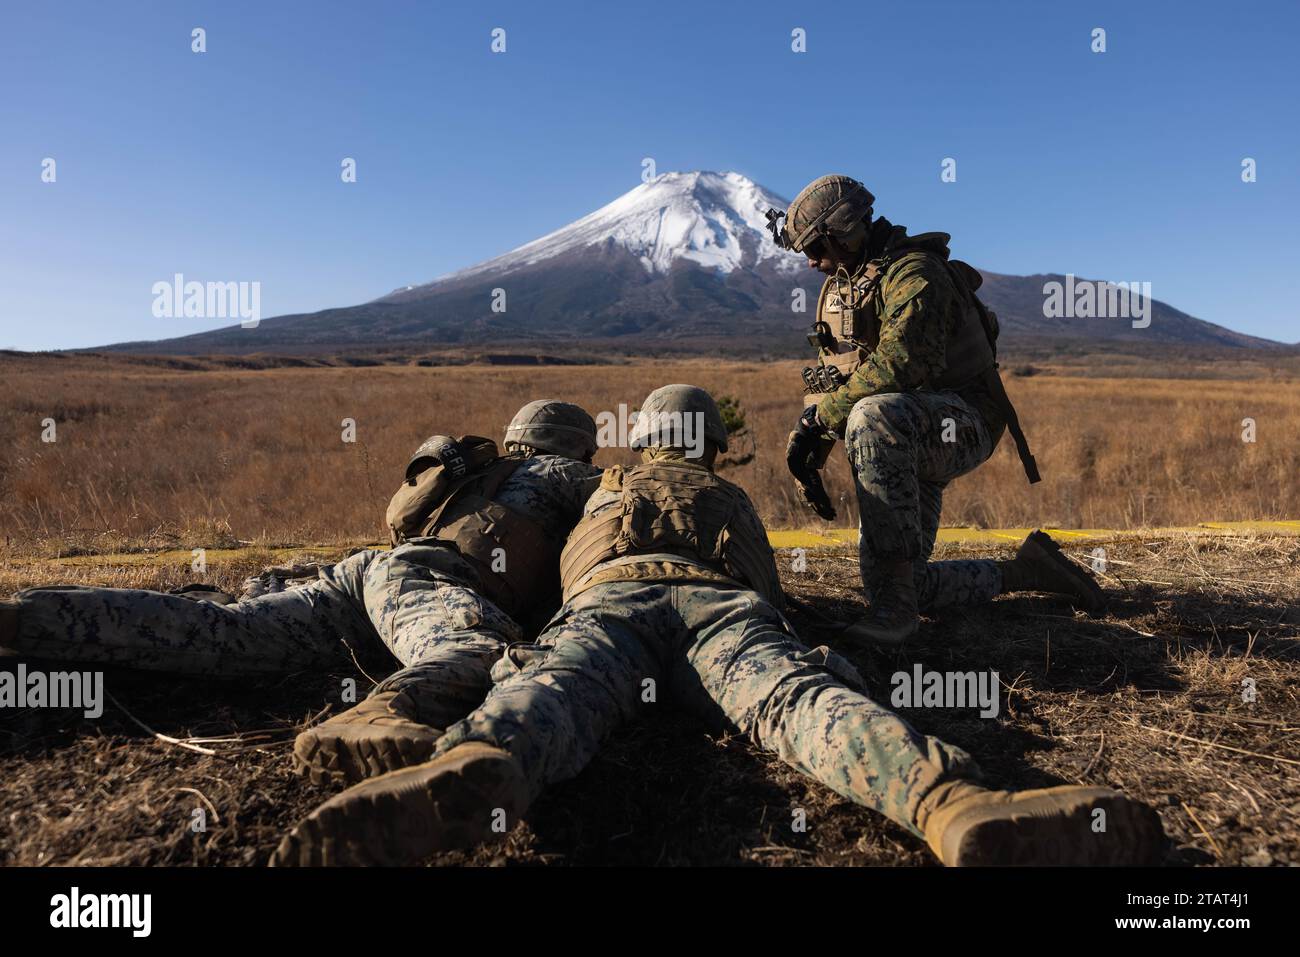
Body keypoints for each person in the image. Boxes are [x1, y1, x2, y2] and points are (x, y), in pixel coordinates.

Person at [270, 385, 1163, 867]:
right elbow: (767, 591)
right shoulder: (727, 492)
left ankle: (482, 762)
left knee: (550, 687)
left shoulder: (602, 487)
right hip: (721, 609)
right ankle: (953, 806)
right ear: (705, 442)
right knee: (796, 697)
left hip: (606, 604)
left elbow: (541, 581)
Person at [0, 400, 603, 787]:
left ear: (517, 436)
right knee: (478, 656)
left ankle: (32, 618)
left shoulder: (480, 469)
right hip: (432, 585)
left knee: (227, 631)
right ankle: (374, 721)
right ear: (579, 445)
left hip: (367, 576)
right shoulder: (575, 478)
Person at [769, 174, 1104, 644]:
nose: (810, 261)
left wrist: (824, 421)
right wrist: (810, 443)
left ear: (844, 231)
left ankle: (893, 612)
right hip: (909, 427)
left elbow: (900, 365)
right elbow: (839, 377)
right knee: (909, 584)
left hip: (961, 422)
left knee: (872, 418)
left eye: (817, 247)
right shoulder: (845, 286)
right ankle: (1028, 571)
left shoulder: (915, 275)